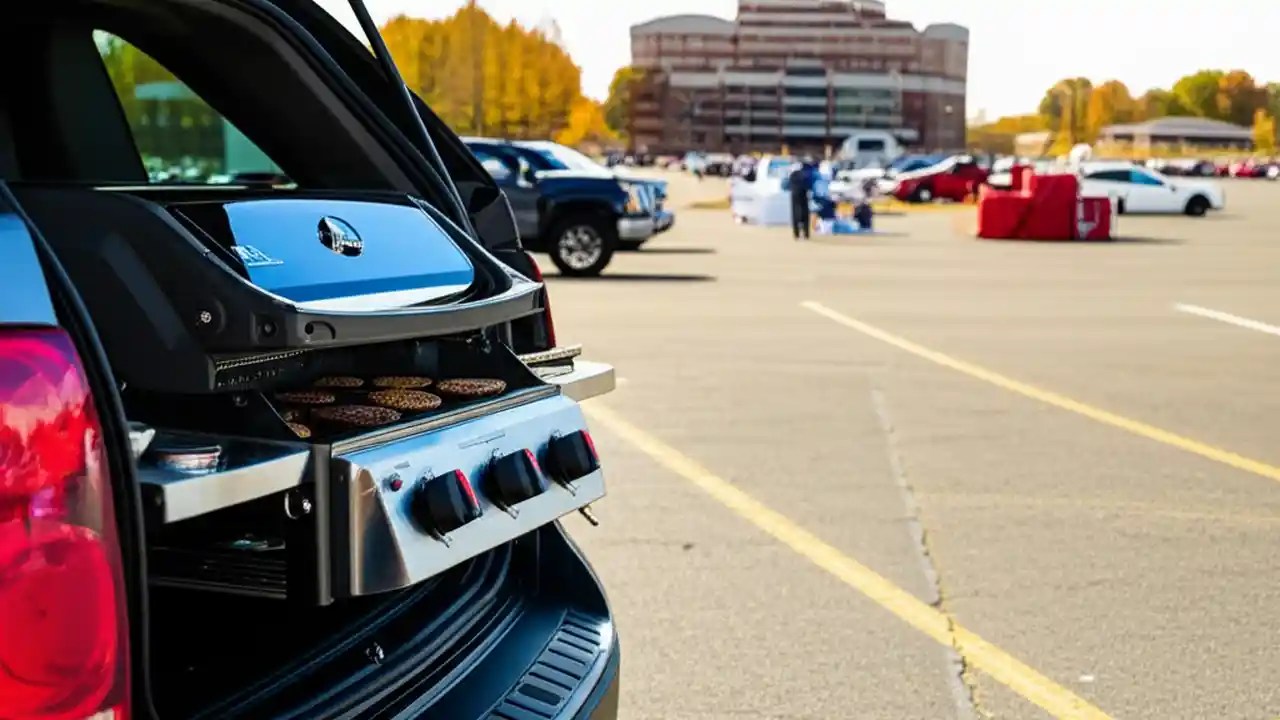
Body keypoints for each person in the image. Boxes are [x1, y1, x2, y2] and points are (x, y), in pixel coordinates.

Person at [787, 156, 817, 240]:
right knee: (805, 213)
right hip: (804, 193)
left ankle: (796, 234)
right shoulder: (806, 173)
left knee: (795, 213)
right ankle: (806, 234)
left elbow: (787, 184)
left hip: (794, 194)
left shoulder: (792, 173)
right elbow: (810, 184)